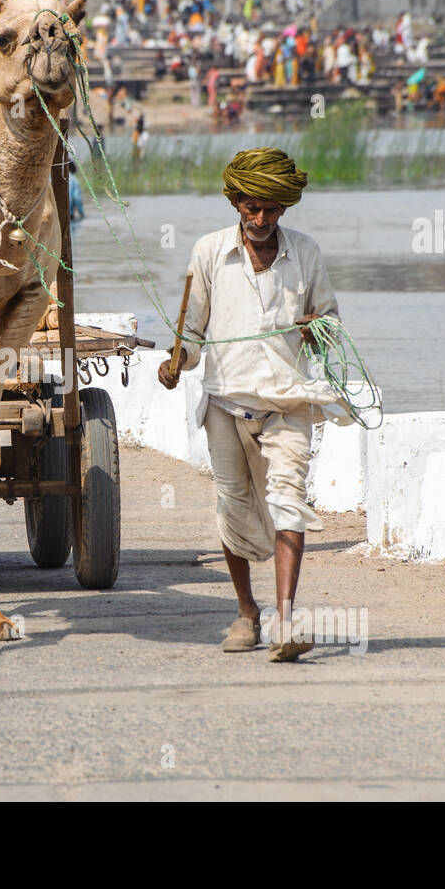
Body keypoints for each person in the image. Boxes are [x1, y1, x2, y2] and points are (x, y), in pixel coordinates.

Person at [157, 148, 340, 662]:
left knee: (288, 501)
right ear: (235, 201)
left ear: (285, 209)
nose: (261, 220)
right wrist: (176, 363)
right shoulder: (209, 253)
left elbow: (329, 323)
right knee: (233, 508)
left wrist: (317, 328)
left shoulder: (305, 253)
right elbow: (191, 334)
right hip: (225, 402)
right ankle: (246, 613)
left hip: (288, 403)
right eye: (252, 209)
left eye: (272, 211)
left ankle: (285, 620)